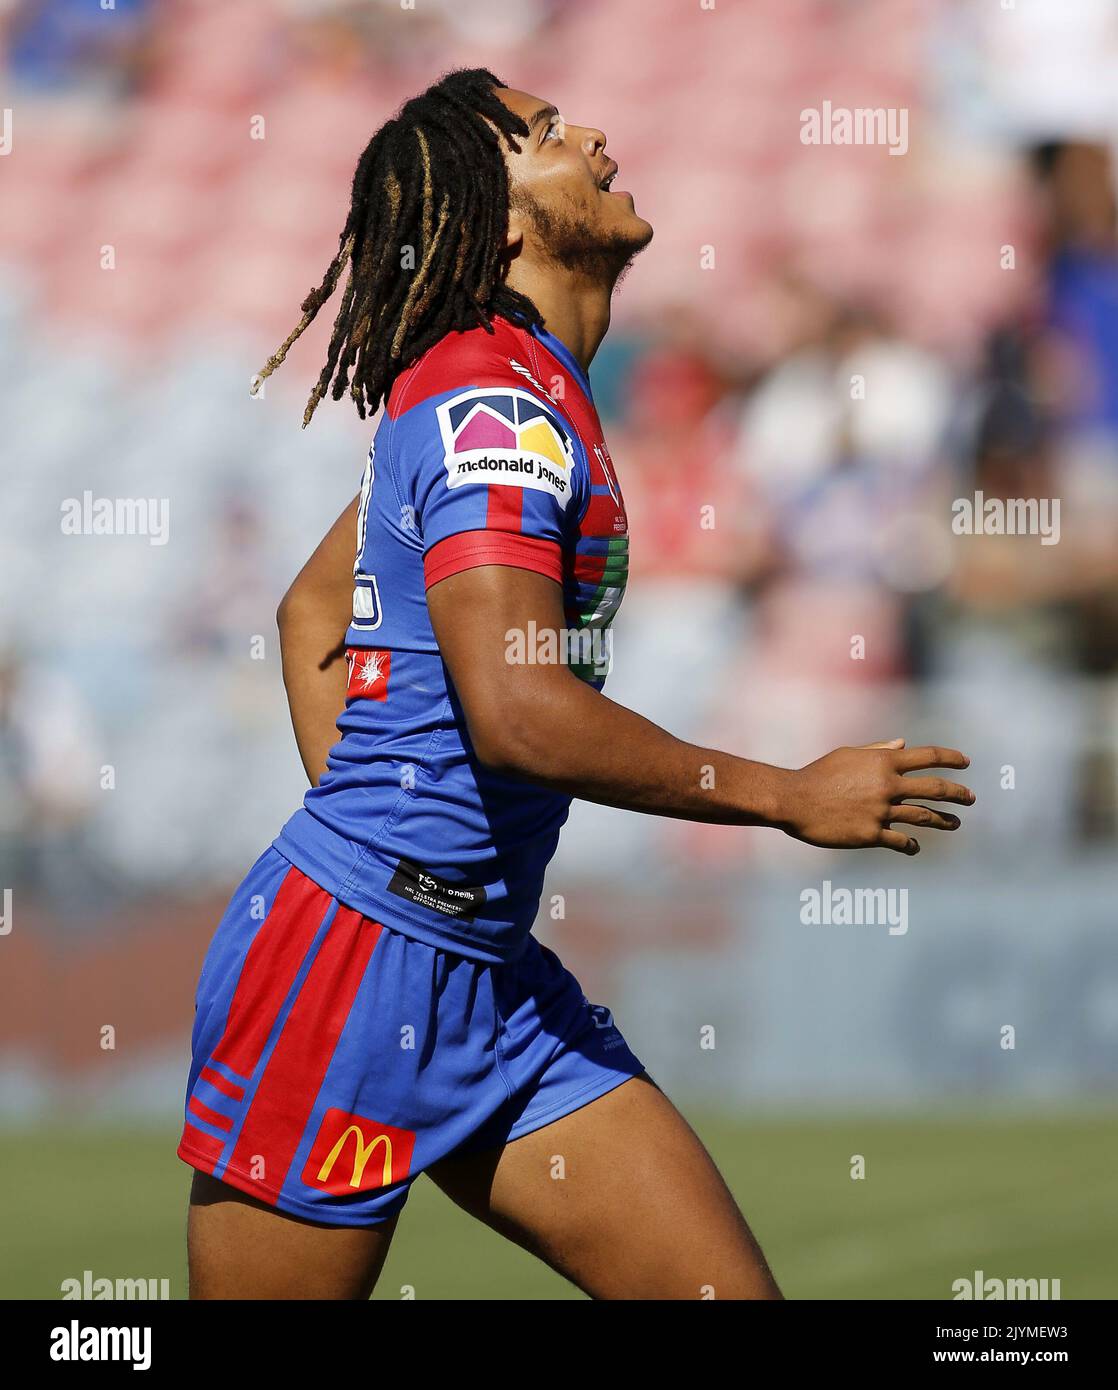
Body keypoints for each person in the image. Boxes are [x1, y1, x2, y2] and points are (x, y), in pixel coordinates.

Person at [179, 68, 974, 1300]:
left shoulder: (519, 380)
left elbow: (313, 612)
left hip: (486, 974)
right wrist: (783, 795)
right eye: (548, 135)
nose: (594, 135)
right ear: (498, 220)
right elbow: (516, 712)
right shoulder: (492, 402)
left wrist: (400, 825)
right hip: (344, 972)